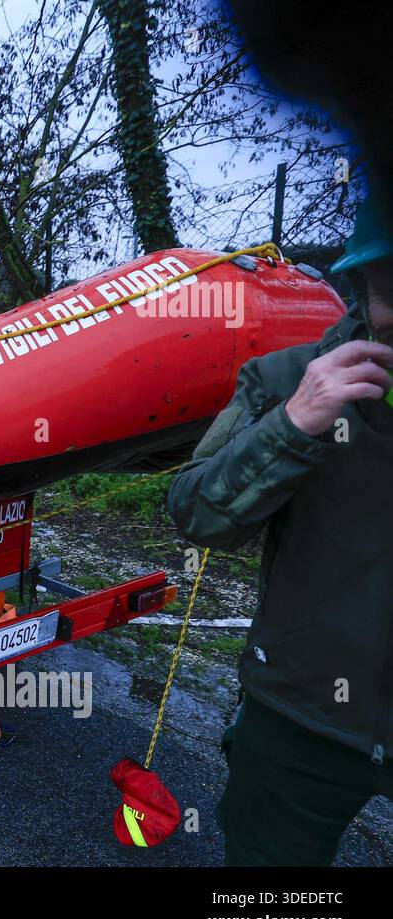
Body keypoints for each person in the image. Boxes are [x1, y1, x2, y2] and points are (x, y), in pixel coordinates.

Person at [168, 199, 393, 865]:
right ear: (361, 292)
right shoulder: (287, 380)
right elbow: (196, 513)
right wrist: (294, 424)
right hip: (300, 716)